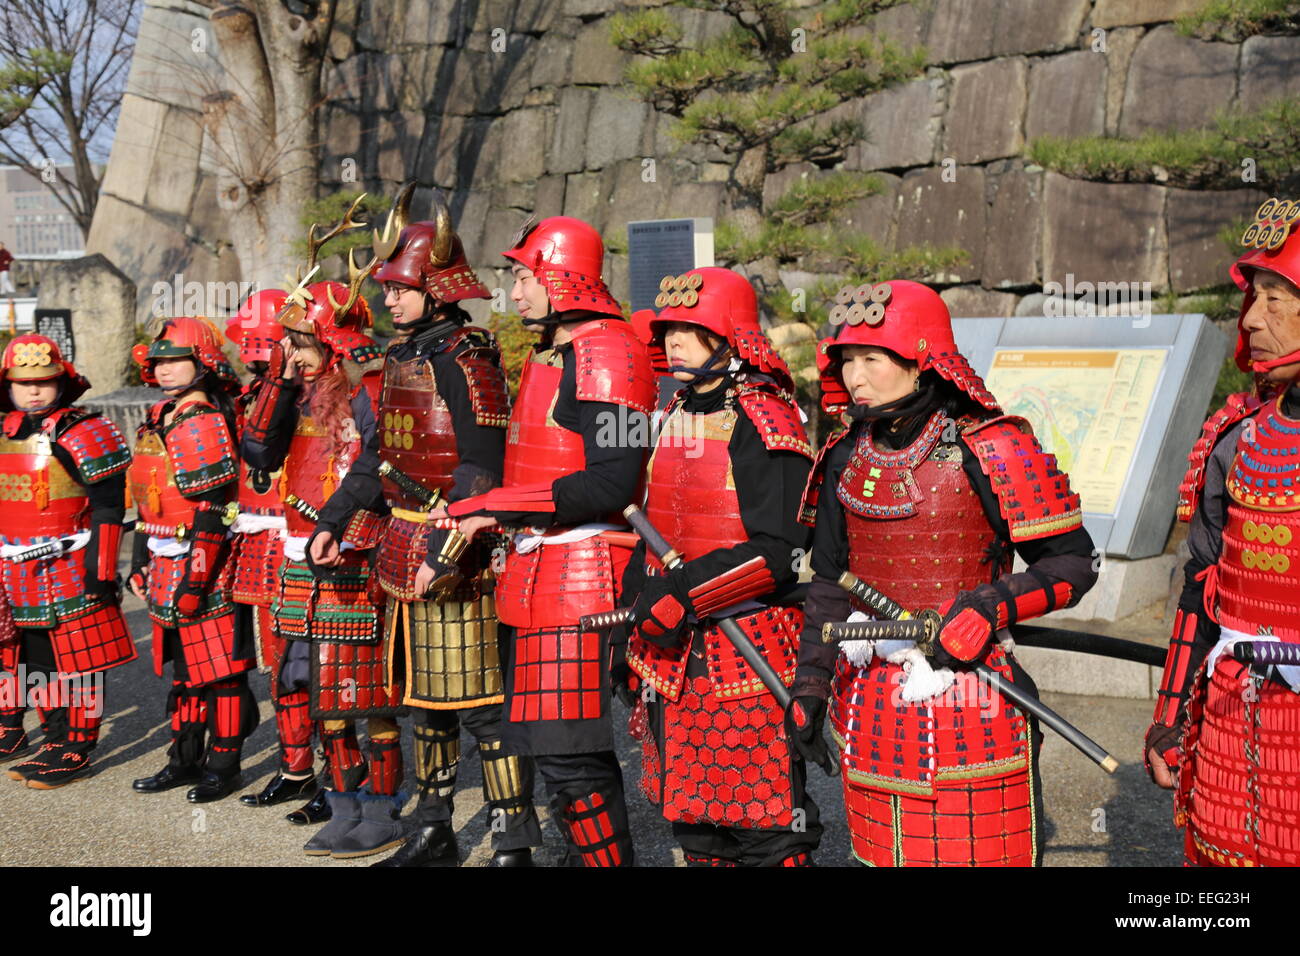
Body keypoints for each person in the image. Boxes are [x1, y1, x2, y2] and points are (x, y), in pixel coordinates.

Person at [797, 279, 1097, 866]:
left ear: (922, 360)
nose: (854, 376)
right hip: (869, 702)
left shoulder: (990, 446)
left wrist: (988, 607)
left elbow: (1074, 562)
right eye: (847, 360)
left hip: (973, 693)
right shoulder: (841, 454)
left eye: (871, 359)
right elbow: (830, 583)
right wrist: (809, 685)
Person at [313, 185, 541, 867]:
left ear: (439, 289)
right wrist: (336, 516)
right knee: (423, 702)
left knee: (483, 705)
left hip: (457, 548)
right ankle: (435, 828)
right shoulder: (406, 359)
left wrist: (446, 552)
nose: (388, 299)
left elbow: (480, 468)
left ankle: (513, 841)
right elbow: (381, 457)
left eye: (401, 289)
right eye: (388, 289)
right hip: (400, 541)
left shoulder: (469, 361)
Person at [445, 215, 656, 866]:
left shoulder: (608, 350)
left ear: (564, 275)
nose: (514, 292)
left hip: (586, 570)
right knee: (553, 749)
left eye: (524, 276)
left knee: (572, 757)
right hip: (543, 566)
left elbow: (613, 482)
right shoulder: (557, 351)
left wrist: (496, 504)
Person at [619, 267, 821, 865]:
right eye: (669, 329)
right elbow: (652, 522)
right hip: (669, 646)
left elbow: (783, 549)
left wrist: (684, 593)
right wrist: (637, 608)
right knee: (695, 821)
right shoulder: (672, 410)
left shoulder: (766, 417)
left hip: (748, 643)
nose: (672, 340)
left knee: (767, 822)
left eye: (690, 328)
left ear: (728, 339)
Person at [1146, 197, 1300, 866]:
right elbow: (1200, 586)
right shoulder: (1238, 436)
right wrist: (1170, 716)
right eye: (1253, 298)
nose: (1253, 318)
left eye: (1275, 297)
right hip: (1232, 723)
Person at [241, 252, 407, 859]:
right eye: (290, 342)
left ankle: (385, 810)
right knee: (315, 690)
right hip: (300, 551)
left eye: (306, 341)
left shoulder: (368, 382)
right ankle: (343, 806)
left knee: (365, 694)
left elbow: (383, 455)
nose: (298, 353)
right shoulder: (294, 387)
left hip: (355, 551)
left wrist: (342, 526)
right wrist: (282, 380)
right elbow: (259, 452)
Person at [127, 316, 259, 803]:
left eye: (175, 360)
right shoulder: (162, 415)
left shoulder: (200, 418)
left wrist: (196, 580)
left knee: (221, 672)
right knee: (185, 674)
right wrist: (140, 560)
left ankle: (223, 766)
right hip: (166, 557)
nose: (164, 370)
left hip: (205, 561)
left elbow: (214, 509)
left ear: (200, 363)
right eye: (158, 361)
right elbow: (146, 500)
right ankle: (183, 760)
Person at [0, 334, 134, 788]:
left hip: (69, 565)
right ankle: (54, 739)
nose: (34, 390)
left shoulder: (84, 430)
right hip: (17, 569)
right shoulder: (6, 433)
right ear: (9, 386)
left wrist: (102, 565)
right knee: (34, 660)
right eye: (23, 383)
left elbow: (109, 503)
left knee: (77, 662)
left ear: (63, 382)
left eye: (45, 381)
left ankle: (77, 748)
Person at [225, 289, 321, 815]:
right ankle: (295, 768)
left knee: (322, 664)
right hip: (262, 539)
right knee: (280, 666)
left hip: (313, 537)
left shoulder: (327, 395)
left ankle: (340, 779)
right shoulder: (253, 396)